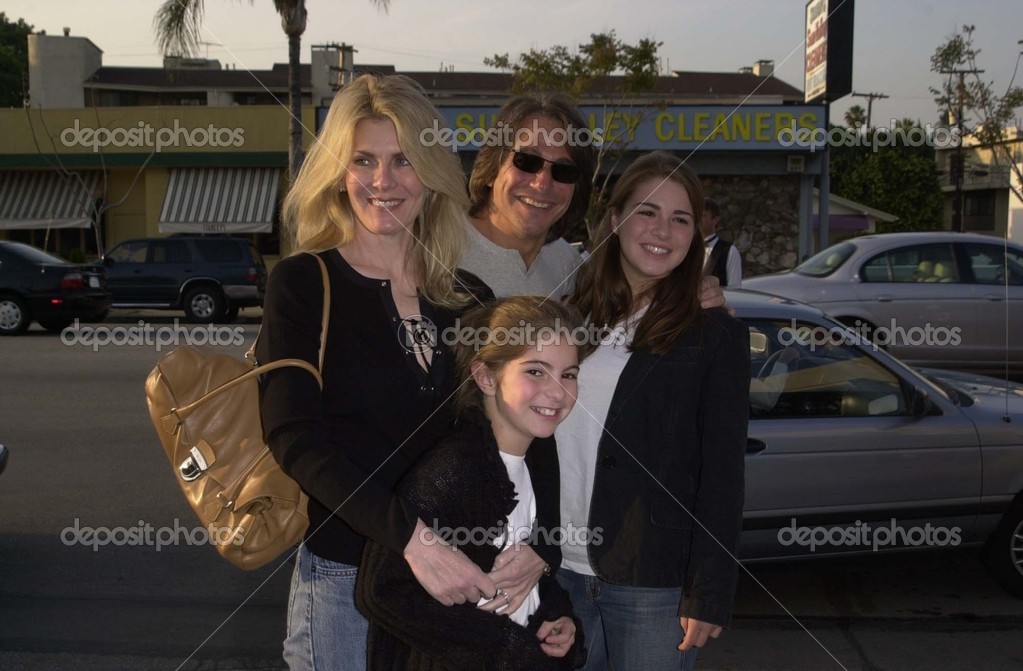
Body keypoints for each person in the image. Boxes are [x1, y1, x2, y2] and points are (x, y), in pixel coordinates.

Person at [257, 74, 505, 671]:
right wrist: (415, 541)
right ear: (338, 174)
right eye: (363, 160)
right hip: (343, 581)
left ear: (431, 172)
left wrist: (530, 546)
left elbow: (505, 439)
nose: (382, 181)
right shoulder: (303, 283)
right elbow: (294, 438)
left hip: (450, 583)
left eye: (403, 160)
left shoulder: (471, 298)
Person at [557, 152, 750, 670]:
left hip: (653, 583)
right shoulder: (570, 317)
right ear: (616, 219)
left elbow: (723, 473)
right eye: (647, 211)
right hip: (558, 572)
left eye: (680, 218)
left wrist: (708, 591)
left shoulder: (715, 334)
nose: (662, 230)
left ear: (696, 235)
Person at [357, 296, 588, 670]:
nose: (558, 391)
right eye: (535, 371)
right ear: (485, 377)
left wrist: (556, 615)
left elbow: (519, 570)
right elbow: (384, 590)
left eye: (569, 374)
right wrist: (509, 649)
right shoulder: (454, 470)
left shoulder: (535, 465)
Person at [462, 92, 728, 309]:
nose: (542, 183)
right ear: (492, 168)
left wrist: (698, 296)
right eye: (527, 161)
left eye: (563, 171)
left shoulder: (570, 269)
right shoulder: (442, 249)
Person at [701, 198, 743, 288]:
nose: (697, 220)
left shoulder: (729, 251)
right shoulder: (685, 249)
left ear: (715, 220)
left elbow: (735, 289)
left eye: (703, 216)